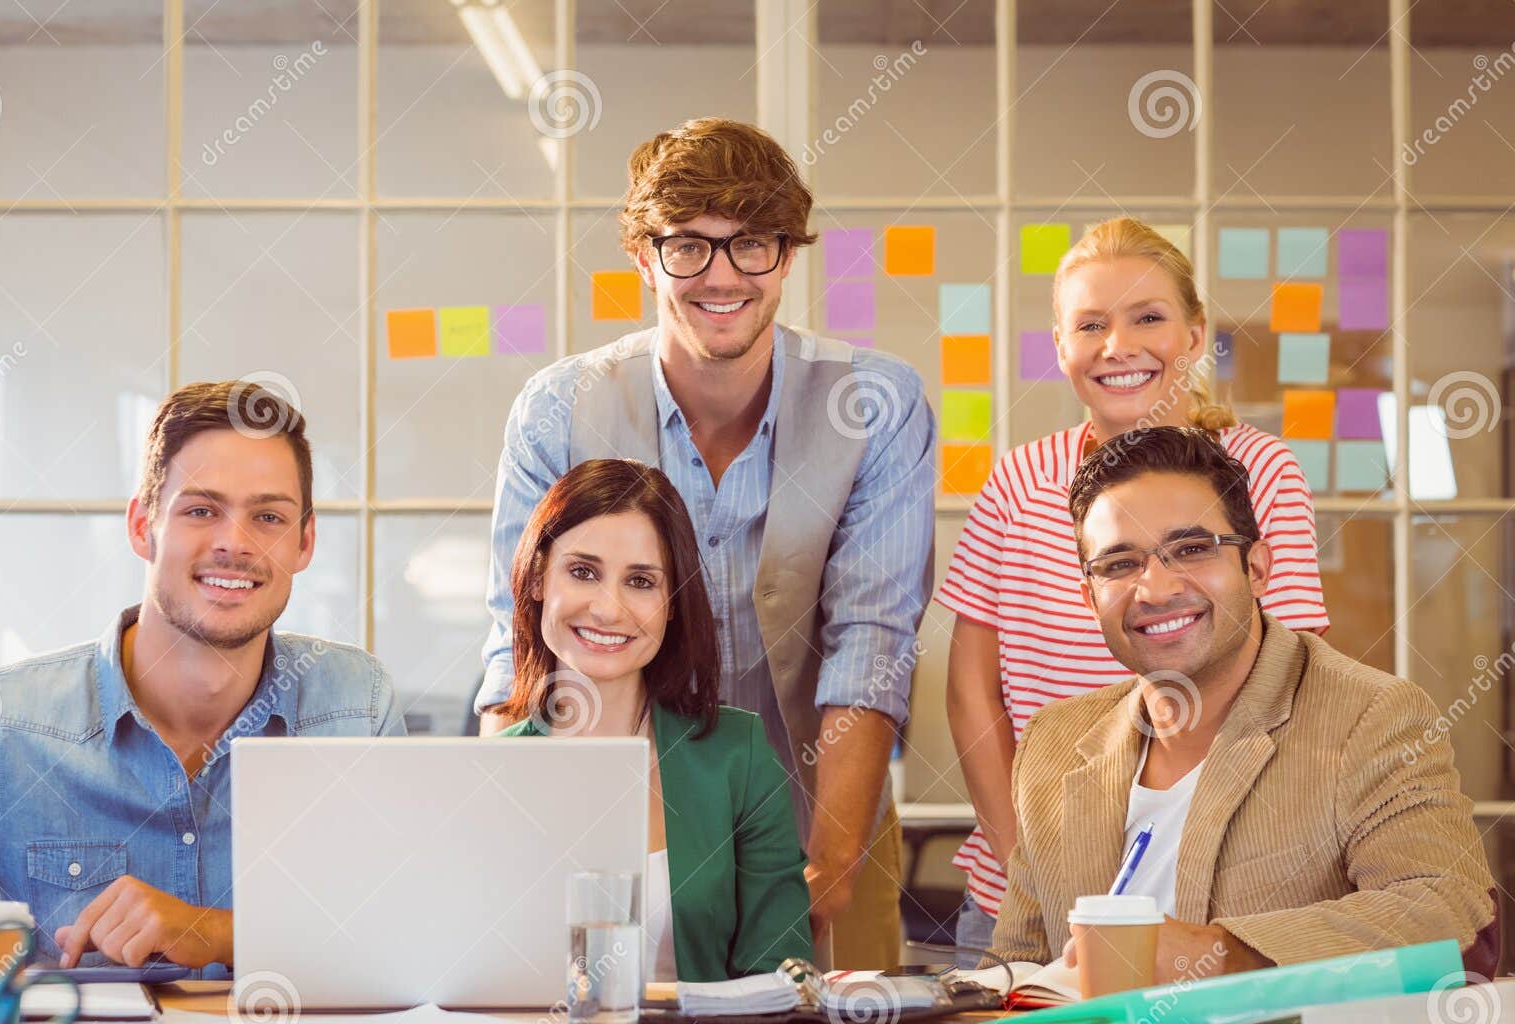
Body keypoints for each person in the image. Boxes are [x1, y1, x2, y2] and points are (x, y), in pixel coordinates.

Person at [478, 118, 935, 969]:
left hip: (823, 809)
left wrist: (827, 871)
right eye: (688, 245)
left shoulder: (876, 404)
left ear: (788, 257)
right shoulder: (559, 407)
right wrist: (502, 832)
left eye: (751, 244)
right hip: (615, 820)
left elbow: (871, 642)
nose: (721, 276)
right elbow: (517, 636)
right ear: (643, 258)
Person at [938, 217, 1328, 966]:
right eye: (1091, 325)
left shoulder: (1260, 471)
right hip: (1021, 902)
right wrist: (1041, 871)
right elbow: (970, 693)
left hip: (1212, 909)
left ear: (1193, 334)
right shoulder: (1018, 482)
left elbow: (1296, 688)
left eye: (1148, 317)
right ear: (1060, 347)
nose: (1119, 346)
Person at [0, 381, 405, 975]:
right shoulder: (4, 722)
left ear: (304, 542)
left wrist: (220, 933)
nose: (235, 542)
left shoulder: (357, 706)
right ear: (142, 526)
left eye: (268, 516)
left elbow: (405, 934)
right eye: (201, 510)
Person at [991, 426, 1497, 978]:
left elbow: (1444, 906)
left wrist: (1216, 953)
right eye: (1119, 564)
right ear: (1090, 598)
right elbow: (1016, 965)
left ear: (1256, 569)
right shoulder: (1053, 740)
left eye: (1190, 549)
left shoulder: (1372, 716)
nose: (1156, 590)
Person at [492, 458, 811, 983]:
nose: (608, 609)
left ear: (672, 605)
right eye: (583, 572)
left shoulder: (738, 755)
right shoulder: (487, 772)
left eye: (640, 581)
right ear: (537, 579)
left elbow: (778, 977)